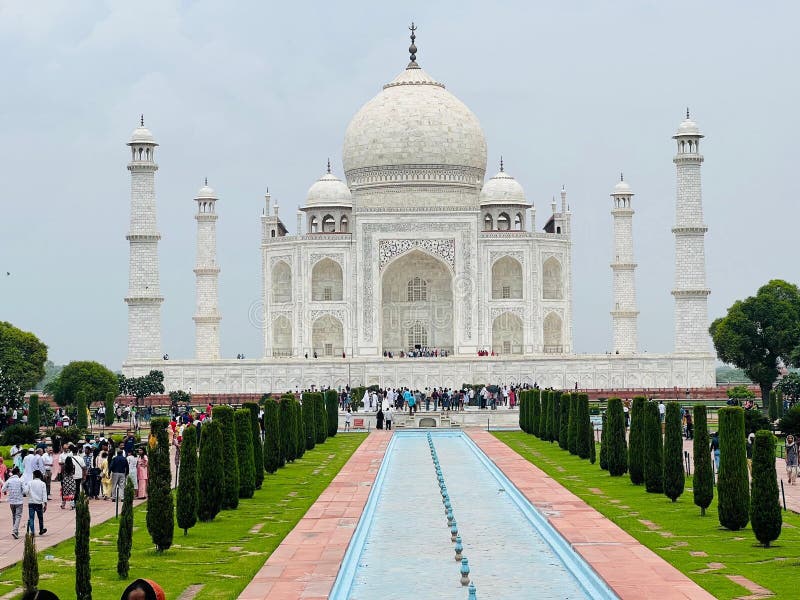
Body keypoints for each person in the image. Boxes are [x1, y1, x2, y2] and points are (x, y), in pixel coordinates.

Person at [2, 467, 24, 538]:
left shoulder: (9, 480)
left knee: (14, 516)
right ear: (17, 473)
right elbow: (24, 491)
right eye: (19, 472)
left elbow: (3, 490)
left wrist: (9, 490)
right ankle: (15, 530)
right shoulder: (20, 480)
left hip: (11, 502)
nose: (20, 473)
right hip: (19, 501)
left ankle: (16, 532)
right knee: (18, 516)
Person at [25, 469, 47, 536]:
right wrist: (45, 504)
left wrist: (29, 495)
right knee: (40, 518)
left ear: (34, 475)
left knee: (31, 518)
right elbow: (44, 494)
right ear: (40, 476)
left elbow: (26, 491)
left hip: (31, 502)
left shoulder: (29, 483)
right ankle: (41, 530)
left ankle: (32, 531)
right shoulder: (42, 484)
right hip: (39, 503)